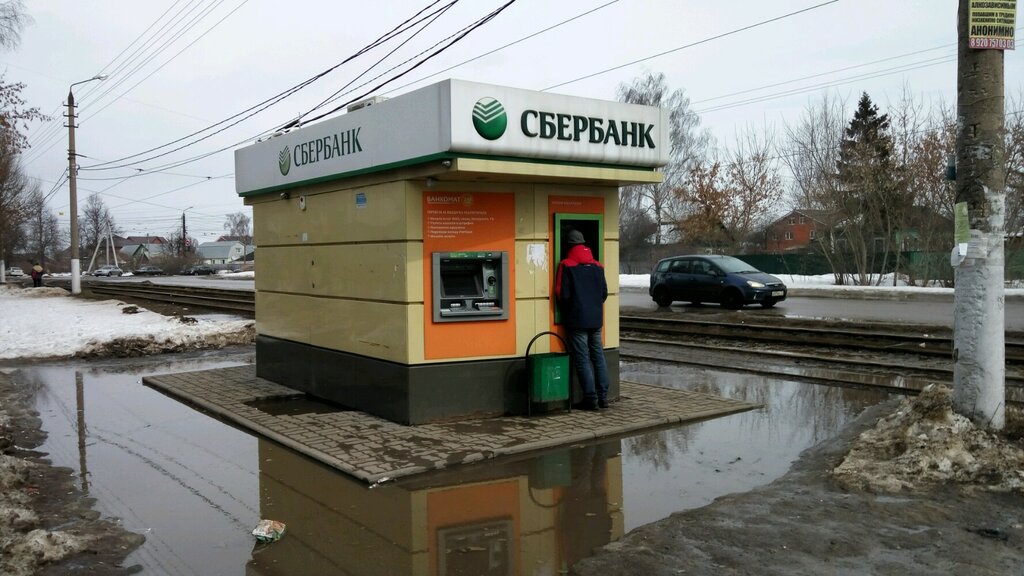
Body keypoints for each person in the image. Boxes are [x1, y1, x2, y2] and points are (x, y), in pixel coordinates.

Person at [555, 229, 609, 410]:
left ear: (568, 246)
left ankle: (591, 399)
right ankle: (603, 398)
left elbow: (562, 294)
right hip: (595, 319)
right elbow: (604, 293)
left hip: (577, 319)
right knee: (598, 356)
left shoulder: (566, 265)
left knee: (582, 358)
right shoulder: (598, 266)